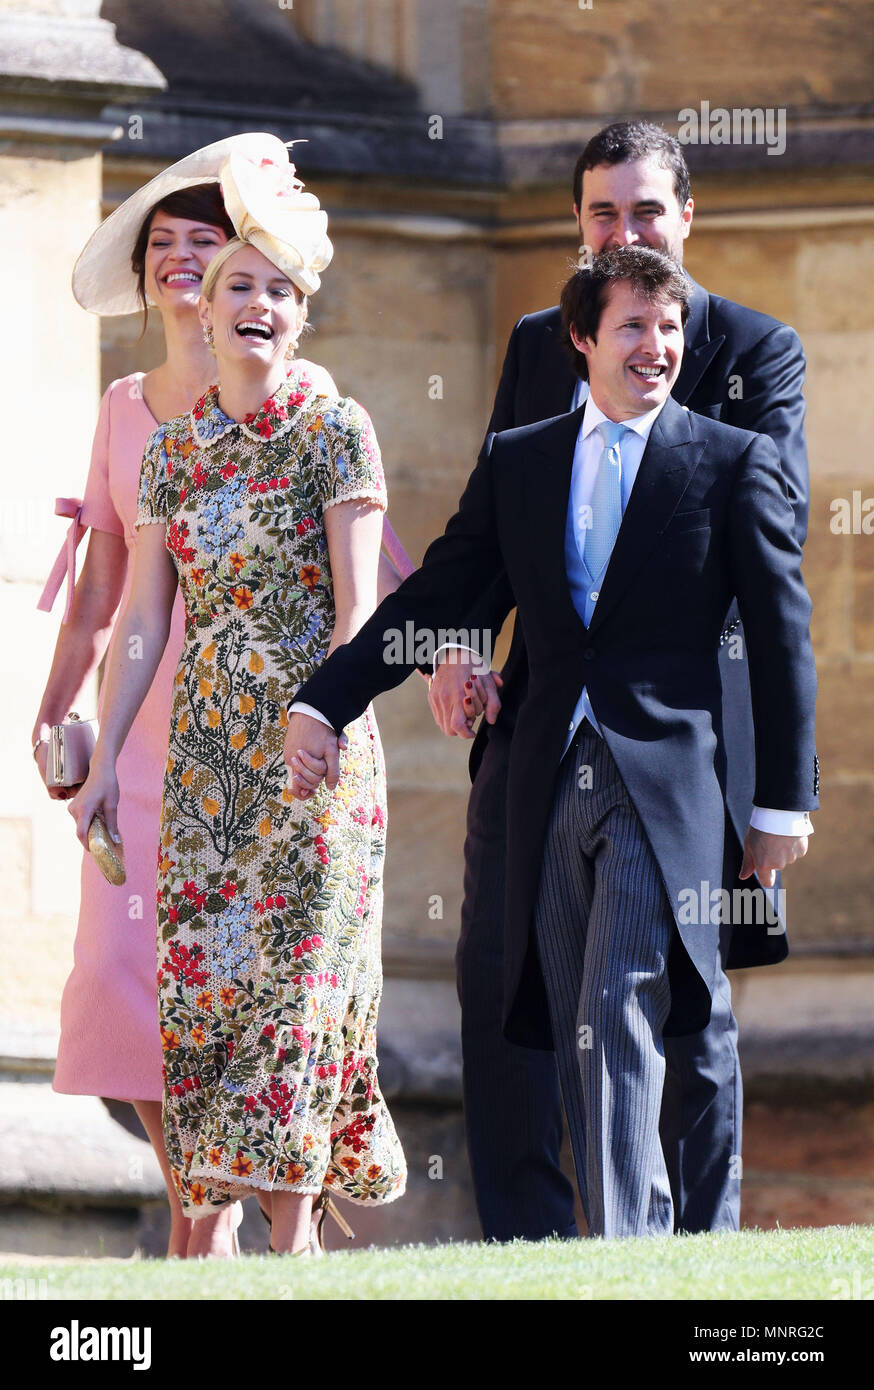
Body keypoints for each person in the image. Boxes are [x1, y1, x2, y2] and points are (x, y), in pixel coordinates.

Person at [283, 244, 818, 1238]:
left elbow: (781, 633)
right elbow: (444, 592)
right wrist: (326, 700)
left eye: (670, 328)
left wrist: (783, 801)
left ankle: (626, 1255)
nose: (657, 347)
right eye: (633, 326)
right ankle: (623, 1244)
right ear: (582, 338)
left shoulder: (729, 460)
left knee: (618, 999)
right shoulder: (522, 458)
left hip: (665, 787)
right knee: (576, 1014)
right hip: (543, 771)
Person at [426, 119, 810, 1241]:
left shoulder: (756, 349)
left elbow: (770, 552)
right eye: (603, 212)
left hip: (695, 725)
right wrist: (458, 641)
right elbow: (492, 525)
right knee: (500, 972)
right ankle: (528, 1247)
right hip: (542, 719)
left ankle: (693, 1248)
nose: (624, 230)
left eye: (646, 210)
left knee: (686, 1006)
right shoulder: (537, 341)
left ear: (686, 217)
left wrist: (775, 789)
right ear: (577, 223)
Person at [69, 146, 407, 1258]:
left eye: (278, 290)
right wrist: (106, 760)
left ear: (299, 319)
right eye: (238, 287)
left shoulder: (335, 429)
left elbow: (361, 612)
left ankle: (292, 1236)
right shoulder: (171, 456)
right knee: (213, 988)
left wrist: (325, 718)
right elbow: (142, 622)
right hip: (206, 765)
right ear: (204, 314)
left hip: (316, 752)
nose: (257, 304)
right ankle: (235, 1228)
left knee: (300, 987)